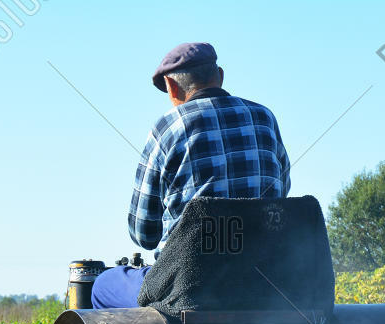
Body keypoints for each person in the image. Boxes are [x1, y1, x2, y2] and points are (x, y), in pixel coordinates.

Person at [91, 42, 291, 309]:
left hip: (189, 289)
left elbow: (144, 233)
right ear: (219, 76)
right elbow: (282, 189)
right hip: (263, 282)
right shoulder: (265, 118)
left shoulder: (168, 127)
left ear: (172, 88)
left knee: (103, 286)